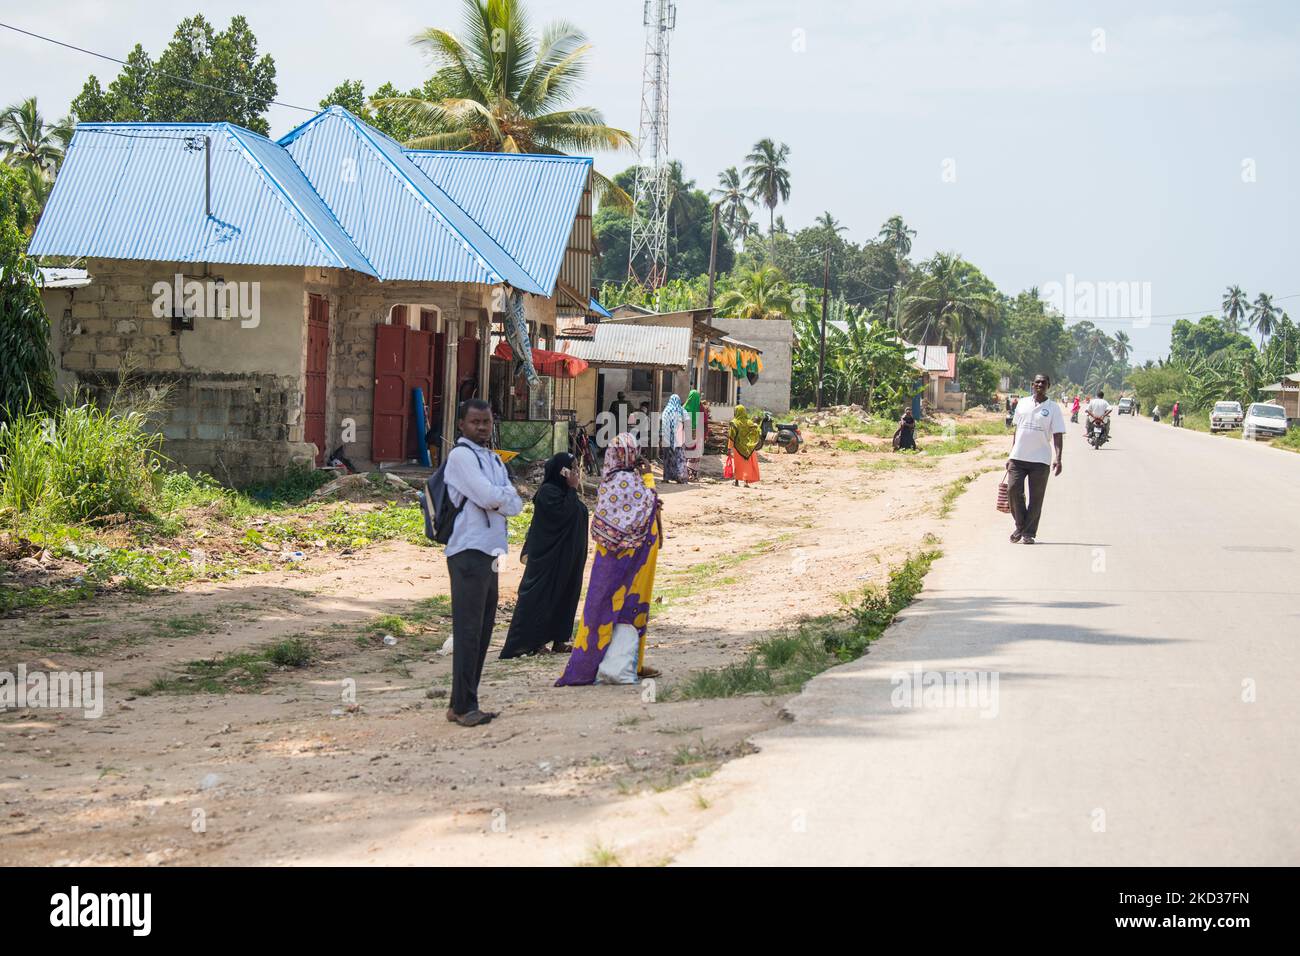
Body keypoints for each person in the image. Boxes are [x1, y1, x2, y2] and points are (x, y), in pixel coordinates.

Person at [556, 433, 663, 686]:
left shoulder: (609, 482)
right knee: (631, 610)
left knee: (599, 608)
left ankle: (587, 666)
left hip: (607, 563)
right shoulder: (636, 483)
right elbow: (653, 506)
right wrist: (648, 477)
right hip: (637, 563)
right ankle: (628, 664)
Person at [443, 399, 524, 726]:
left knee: (484, 630)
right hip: (467, 551)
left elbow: (515, 502)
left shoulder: (493, 459)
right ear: (461, 424)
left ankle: (460, 703)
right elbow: (491, 496)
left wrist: (498, 498)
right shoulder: (460, 457)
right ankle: (465, 706)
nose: (481, 428)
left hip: (492, 553)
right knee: (468, 630)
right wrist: (499, 499)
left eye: (486, 422)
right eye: (475, 422)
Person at [499, 453, 588, 660]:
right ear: (561, 471)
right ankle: (532, 643)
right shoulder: (549, 493)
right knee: (540, 598)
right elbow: (563, 514)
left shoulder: (566, 492)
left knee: (566, 595)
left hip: (568, 558)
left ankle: (559, 639)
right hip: (548, 558)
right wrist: (573, 489)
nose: (575, 472)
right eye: (571, 468)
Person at [1007, 374, 1065, 545]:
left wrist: (1058, 458)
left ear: (1048, 385)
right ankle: (1020, 525)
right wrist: (1011, 454)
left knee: (1036, 498)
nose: (1040, 384)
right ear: (1033, 384)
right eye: (1037, 382)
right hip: (1018, 457)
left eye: (1043, 382)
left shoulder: (1053, 408)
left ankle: (1028, 533)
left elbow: (1058, 435)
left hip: (1040, 460)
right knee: (1013, 491)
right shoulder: (1023, 403)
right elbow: (1016, 431)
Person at [727, 405, 762, 487]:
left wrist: (729, 448)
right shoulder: (750, 422)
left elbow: (731, 436)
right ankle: (746, 482)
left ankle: (736, 481)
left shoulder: (734, 423)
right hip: (748, 448)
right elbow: (756, 432)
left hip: (738, 448)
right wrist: (752, 443)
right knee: (747, 465)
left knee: (738, 464)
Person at [660, 393, 688, 483]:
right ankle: (680, 477)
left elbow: (662, 425)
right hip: (678, 439)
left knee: (667, 459)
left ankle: (666, 477)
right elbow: (688, 420)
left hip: (666, 439)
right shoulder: (680, 410)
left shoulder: (666, 411)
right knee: (679, 458)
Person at [683, 389, 704, 481]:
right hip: (698, 434)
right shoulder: (701, 408)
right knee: (695, 454)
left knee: (685, 453)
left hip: (685, 434)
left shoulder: (684, 408)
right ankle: (693, 475)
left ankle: (686, 473)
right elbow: (705, 421)